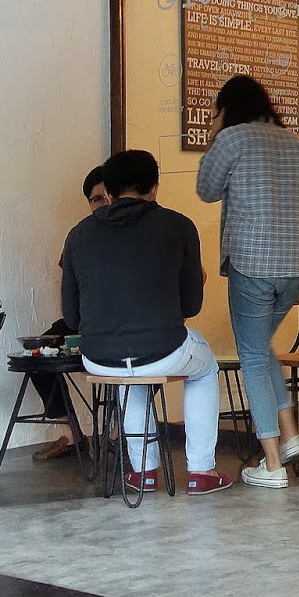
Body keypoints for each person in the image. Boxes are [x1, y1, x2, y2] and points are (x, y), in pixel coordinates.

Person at [63, 149, 233, 495]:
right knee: (204, 367)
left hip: (98, 355)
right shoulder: (179, 226)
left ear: (108, 193)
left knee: (128, 378)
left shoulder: (78, 235)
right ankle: (201, 471)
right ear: (155, 187)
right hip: (163, 347)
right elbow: (192, 303)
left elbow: (71, 316)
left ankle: (143, 472)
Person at [195, 74, 299, 489]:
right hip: (295, 267)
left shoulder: (232, 139)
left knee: (251, 356)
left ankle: (271, 464)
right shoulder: (296, 144)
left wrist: (216, 135)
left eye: (215, 113)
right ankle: (290, 434)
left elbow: (206, 189)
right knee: (260, 347)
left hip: (252, 264)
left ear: (227, 109)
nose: (212, 120)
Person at [30, 165, 110, 462]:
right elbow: (68, 288)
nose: (103, 204)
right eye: (96, 199)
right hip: (86, 321)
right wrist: (74, 323)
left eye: (108, 196)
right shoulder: (80, 235)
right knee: (39, 354)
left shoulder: (137, 232)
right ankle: (70, 434)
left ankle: (117, 434)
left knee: (147, 359)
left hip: (129, 323)